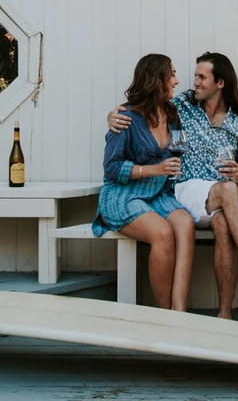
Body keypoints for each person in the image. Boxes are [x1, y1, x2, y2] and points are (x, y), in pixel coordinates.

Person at [109, 52, 238, 318]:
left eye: (201, 77)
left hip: (229, 197)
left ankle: (224, 314)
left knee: (223, 220)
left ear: (220, 83)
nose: (193, 82)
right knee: (227, 191)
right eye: (194, 76)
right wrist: (112, 114)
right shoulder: (183, 105)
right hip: (190, 190)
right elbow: (144, 105)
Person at [94, 53, 197, 311]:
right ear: (156, 79)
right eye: (171, 74)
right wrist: (155, 169)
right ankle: (164, 317)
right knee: (162, 233)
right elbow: (112, 168)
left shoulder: (172, 113)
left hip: (157, 193)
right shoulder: (126, 117)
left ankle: (179, 312)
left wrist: (175, 164)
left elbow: (179, 150)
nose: (177, 80)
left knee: (185, 224)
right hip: (123, 194)